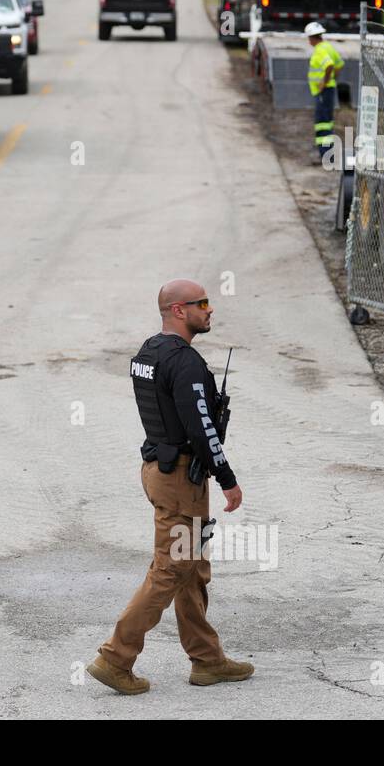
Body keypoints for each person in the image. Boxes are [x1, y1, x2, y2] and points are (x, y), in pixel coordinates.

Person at [87, 278, 254, 695]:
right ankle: (115, 658)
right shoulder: (186, 364)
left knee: (192, 568)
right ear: (179, 310)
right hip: (182, 478)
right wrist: (228, 479)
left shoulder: (148, 353)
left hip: (158, 469)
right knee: (171, 569)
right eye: (202, 303)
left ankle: (208, 660)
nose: (210, 309)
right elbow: (202, 430)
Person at [306, 20, 344, 162]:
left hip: (323, 92)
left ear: (311, 38)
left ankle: (326, 156)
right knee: (327, 122)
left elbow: (329, 65)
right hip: (328, 91)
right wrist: (333, 78)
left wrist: (325, 81)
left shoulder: (320, 50)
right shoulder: (328, 46)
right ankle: (329, 155)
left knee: (322, 124)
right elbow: (339, 64)